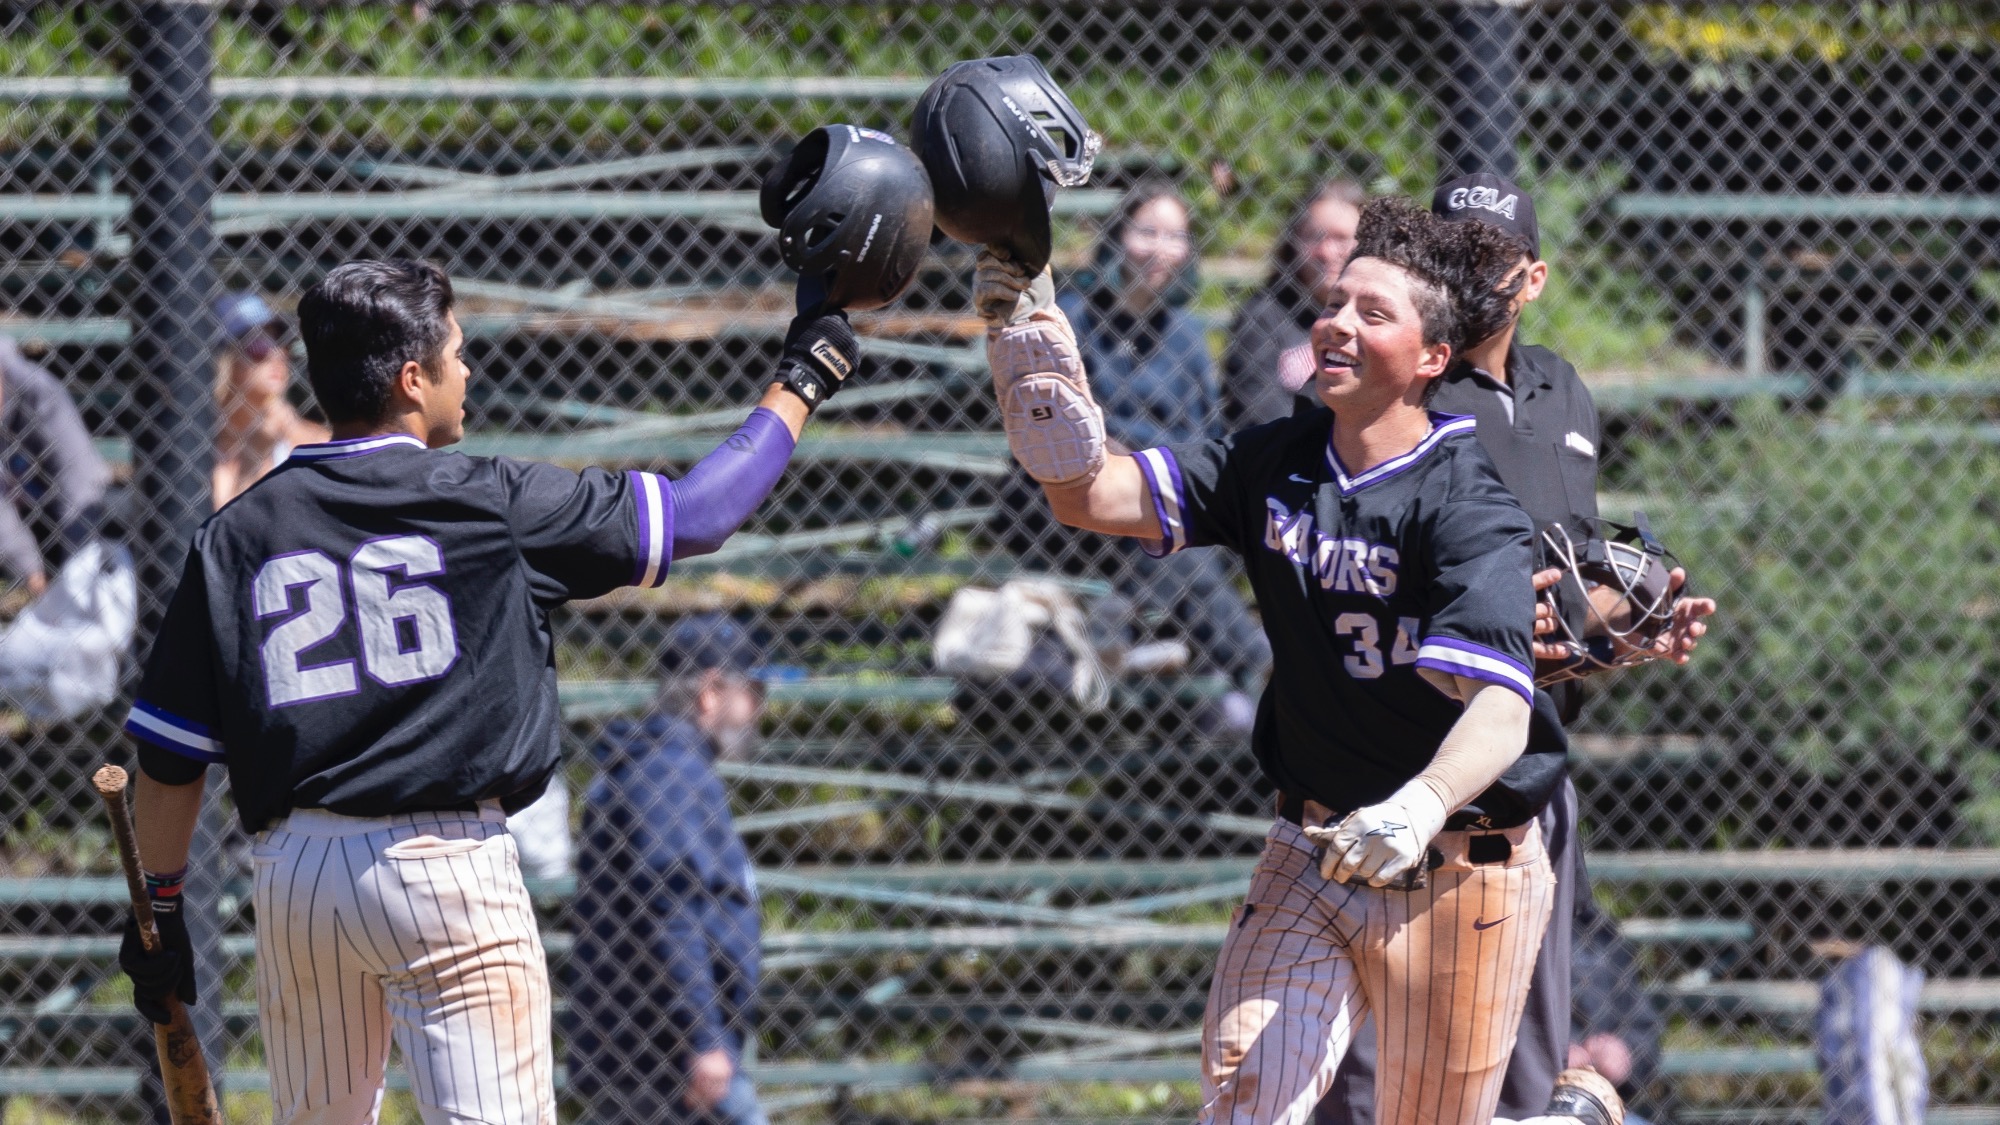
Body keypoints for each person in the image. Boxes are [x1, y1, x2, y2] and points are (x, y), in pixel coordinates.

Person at [113, 259, 860, 1125]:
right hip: (448, 865)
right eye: (455, 354)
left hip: (299, 873)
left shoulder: (235, 531)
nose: (465, 372)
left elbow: (171, 759)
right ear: (412, 378)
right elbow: (699, 514)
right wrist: (804, 376)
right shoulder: (490, 500)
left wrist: (158, 908)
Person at [972, 197, 1624, 1125]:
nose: (1337, 323)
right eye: (1333, 303)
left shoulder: (1467, 503)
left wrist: (1418, 805)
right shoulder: (1274, 459)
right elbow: (1089, 495)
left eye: (1373, 312)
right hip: (1314, 851)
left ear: (1432, 358)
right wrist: (1025, 344)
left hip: (1461, 862)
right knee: (1247, 1103)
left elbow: (1501, 709)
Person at [1314, 174, 1717, 1125]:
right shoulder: (1409, 386)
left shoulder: (1561, 389)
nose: (1466, 265)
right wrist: (1472, 624)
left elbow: (1573, 567)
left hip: (1530, 763)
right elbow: (1345, 544)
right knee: (1372, 1063)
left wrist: (1619, 627)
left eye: (1487, 252)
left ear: (1531, 278)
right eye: (1449, 243)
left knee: (1527, 1052)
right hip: (1409, 757)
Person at [1001, 182, 1267, 717]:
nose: (1160, 249)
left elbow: (1206, 432)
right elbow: (1068, 427)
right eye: (1147, 232)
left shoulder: (1185, 334)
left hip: (1164, 498)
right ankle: (1252, 663)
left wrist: (1151, 456)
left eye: (1175, 236)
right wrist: (1136, 452)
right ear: (1117, 238)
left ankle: (1198, 674)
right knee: (1177, 547)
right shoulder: (1073, 321)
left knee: (1192, 534)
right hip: (1074, 502)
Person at [568, 614, 771, 1125]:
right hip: (666, 1054)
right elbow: (669, 906)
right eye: (752, 692)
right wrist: (703, 1038)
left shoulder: (668, 766)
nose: (758, 710)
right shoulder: (669, 773)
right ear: (711, 691)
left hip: (657, 1046)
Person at [1223, 179, 1365, 428]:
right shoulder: (1263, 315)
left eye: (1341, 238)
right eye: (1314, 237)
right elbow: (1257, 415)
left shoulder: (1377, 319)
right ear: (1293, 243)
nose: (1326, 252)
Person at [0, 335, 111, 599]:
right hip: (18, 518)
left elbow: (78, 476)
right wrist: (33, 575)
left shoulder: (38, 390)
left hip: (61, 512)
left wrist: (78, 575)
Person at [211, 292, 329, 509]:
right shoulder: (208, 448)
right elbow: (221, 525)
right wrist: (255, 456)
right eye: (260, 346)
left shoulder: (306, 439)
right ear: (227, 358)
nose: (277, 355)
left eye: (283, 344)